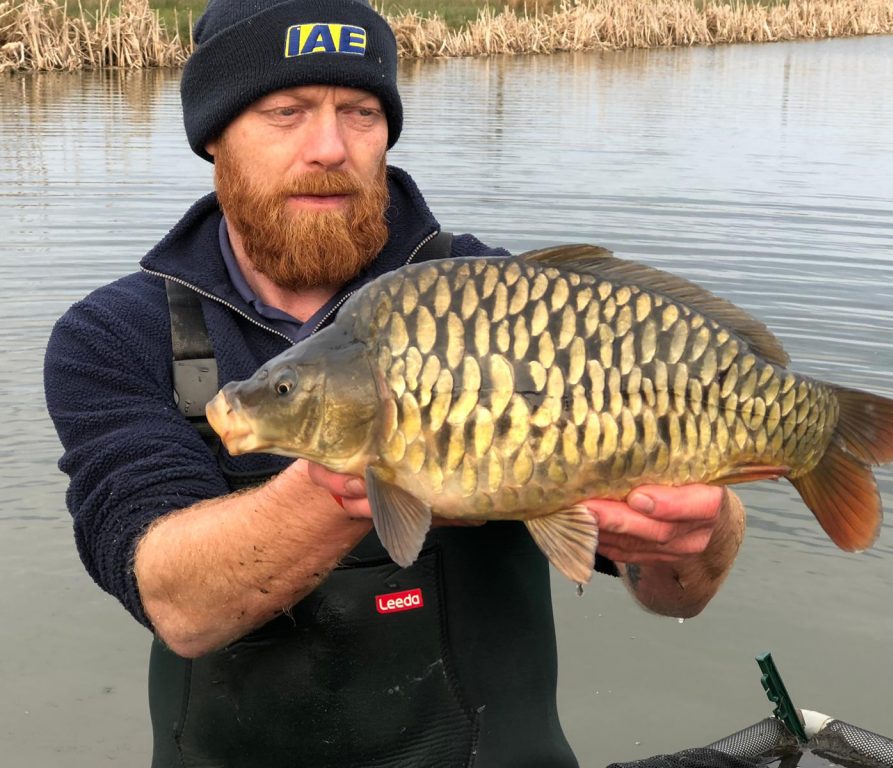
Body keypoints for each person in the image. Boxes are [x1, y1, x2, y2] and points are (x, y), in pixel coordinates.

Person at [44, 0, 746, 765]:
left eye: (361, 110)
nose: (329, 147)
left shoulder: (509, 303)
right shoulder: (111, 336)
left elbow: (678, 592)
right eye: (284, 112)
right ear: (213, 135)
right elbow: (176, 604)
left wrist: (698, 535)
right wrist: (362, 465)